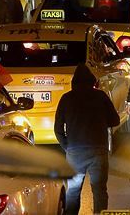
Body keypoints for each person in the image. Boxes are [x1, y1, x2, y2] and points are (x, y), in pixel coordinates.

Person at [54, 64, 121, 215]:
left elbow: (58, 129)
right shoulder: (100, 96)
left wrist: (67, 147)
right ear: (92, 80)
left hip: (75, 151)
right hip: (98, 149)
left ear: (74, 82)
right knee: (99, 190)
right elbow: (115, 120)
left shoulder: (66, 99)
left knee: (73, 190)